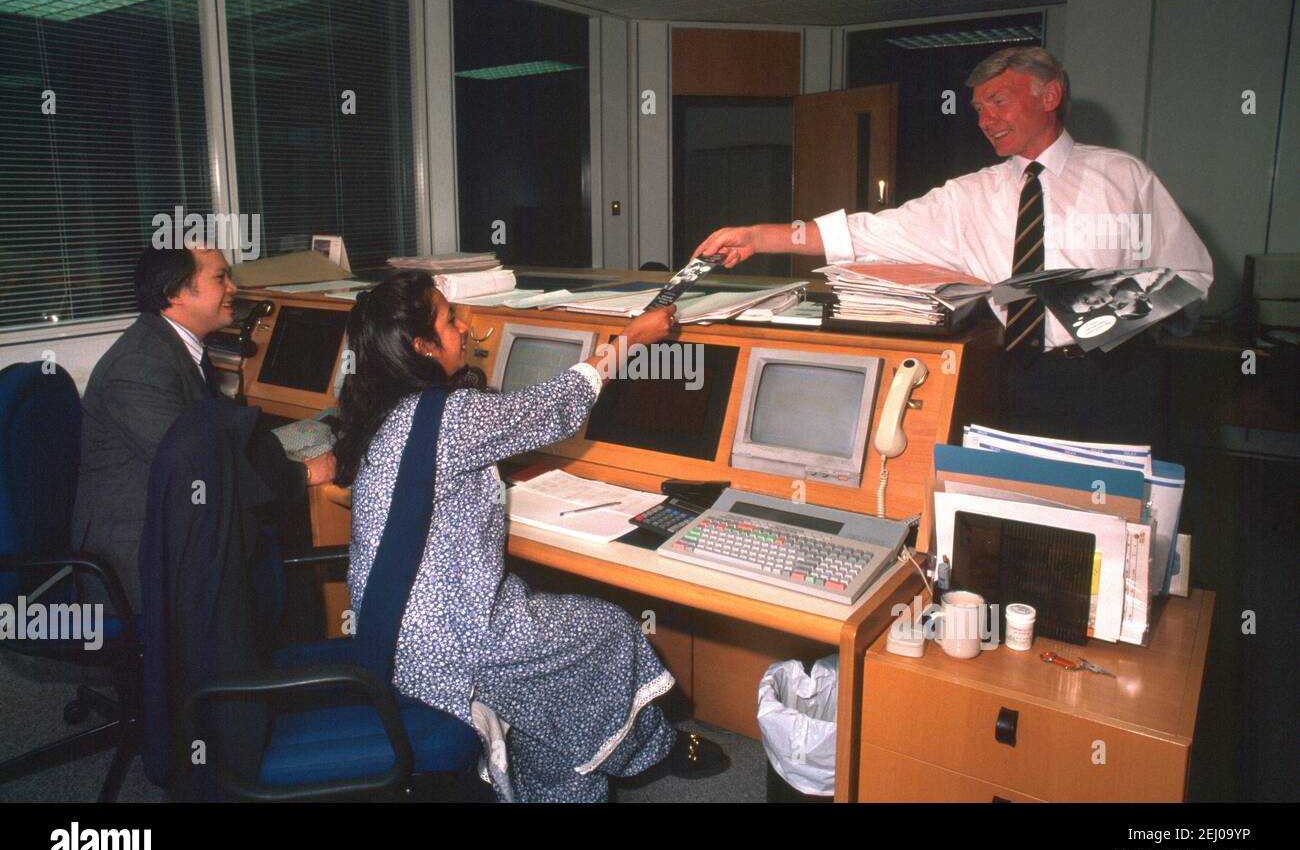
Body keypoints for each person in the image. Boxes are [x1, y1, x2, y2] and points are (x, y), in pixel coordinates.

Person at [332, 271, 726, 802]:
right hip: (453, 644)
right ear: (422, 347)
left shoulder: (383, 411)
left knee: (545, 682)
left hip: (391, 637)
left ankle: (563, 786)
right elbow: (555, 406)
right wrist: (631, 338)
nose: (466, 328)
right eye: (450, 321)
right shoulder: (451, 416)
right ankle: (648, 753)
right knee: (608, 629)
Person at [691, 47, 1214, 446]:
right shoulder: (969, 196)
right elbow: (868, 230)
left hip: (1117, 377)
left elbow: (1191, 274)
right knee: (1013, 516)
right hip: (1017, 376)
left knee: (1115, 521)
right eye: (979, 108)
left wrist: (1118, 310)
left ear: (1050, 96)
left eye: (998, 102)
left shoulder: (1124, 179)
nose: (985, 120)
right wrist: (761, 237)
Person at [72, 245, 334, 609]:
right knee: (292, 547)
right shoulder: (138, 367)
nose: (233, 288)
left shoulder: (176, 347)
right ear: (175, 293)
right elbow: (199, 466)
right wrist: (300, 473)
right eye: (220, 278)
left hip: (178, 522)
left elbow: (218, 438)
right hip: (137, 560)